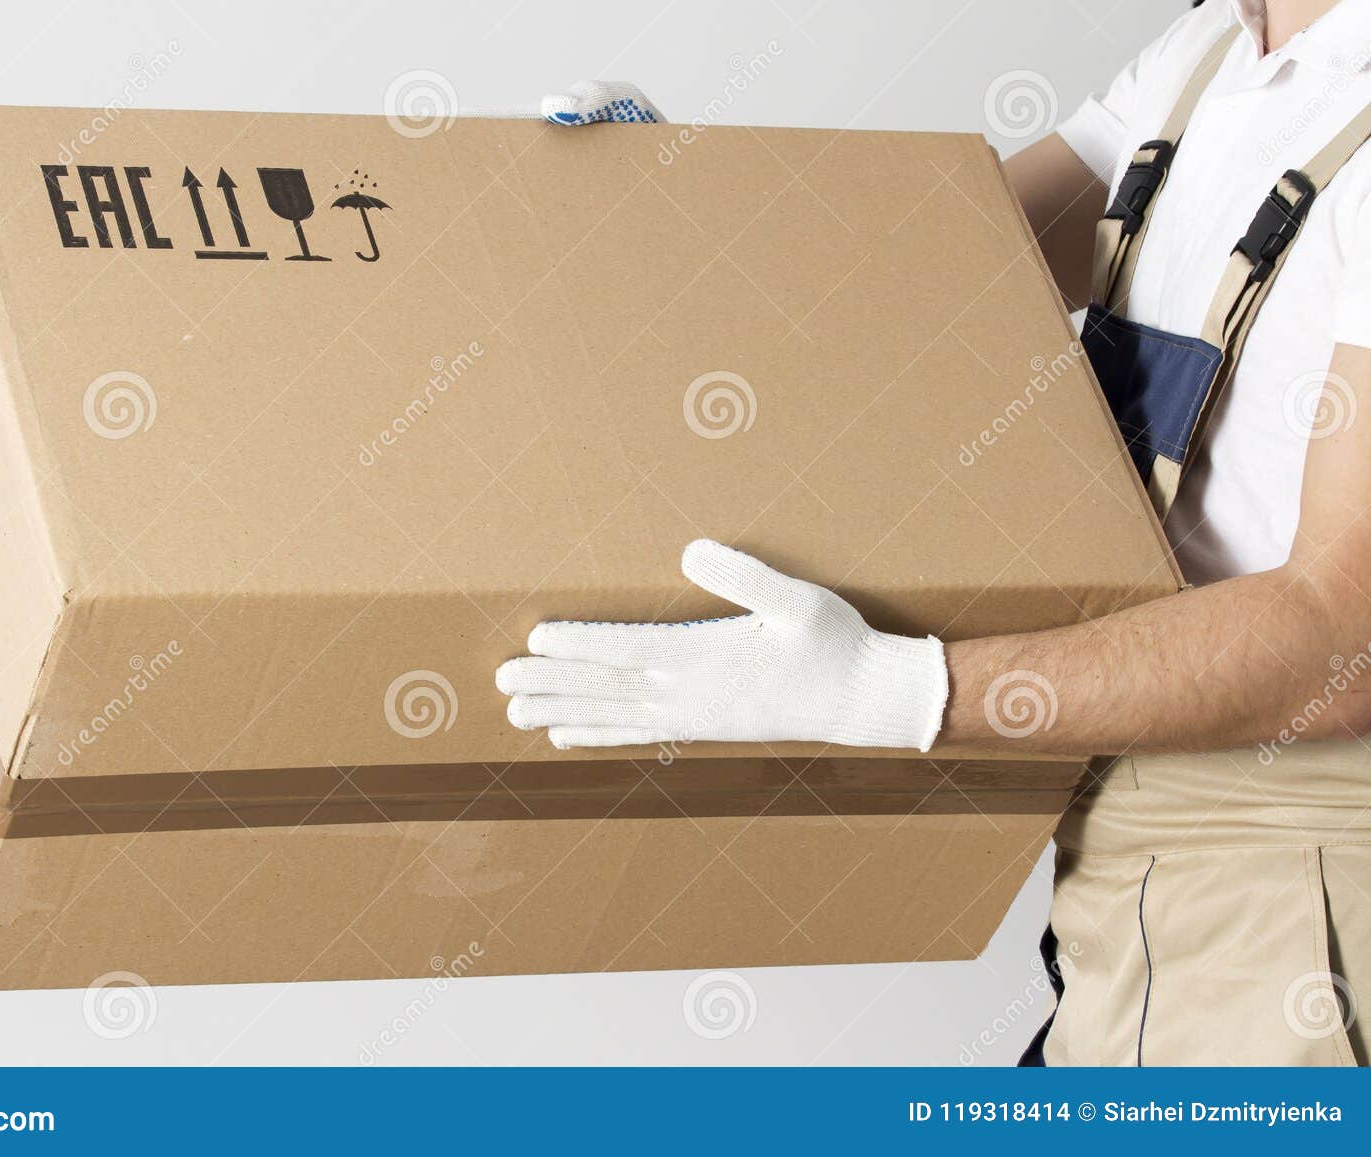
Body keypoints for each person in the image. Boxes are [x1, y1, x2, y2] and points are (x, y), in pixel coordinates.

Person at [501, 0, 1371, 1065]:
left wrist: (897, 689)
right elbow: (940, 269)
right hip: (1126, 861)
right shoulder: (1209, 55)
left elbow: (1340, 642)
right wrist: (694, 203)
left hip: (1295, 882)